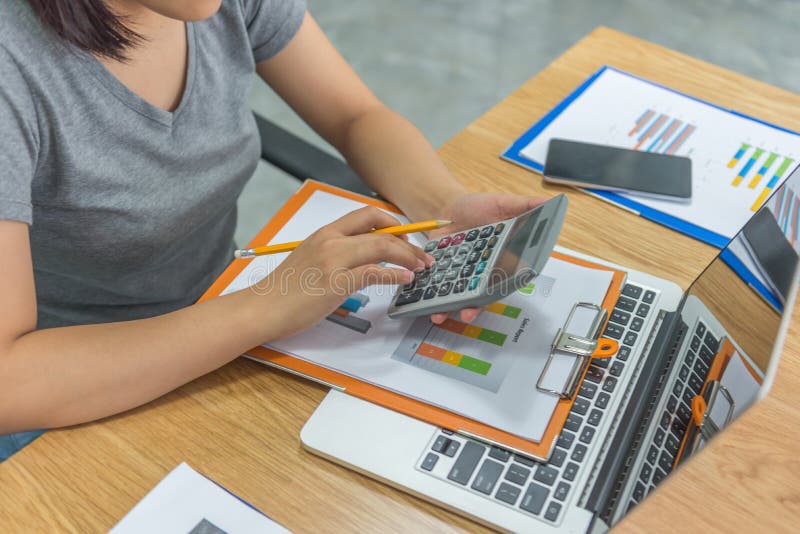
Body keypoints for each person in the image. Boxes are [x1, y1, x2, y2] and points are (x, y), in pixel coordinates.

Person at [0, 0, 543, 461]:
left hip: (223, 320)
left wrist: (446, 204)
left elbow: (355, 116)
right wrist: (271, 303)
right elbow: (10, 383)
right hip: (68, 396)